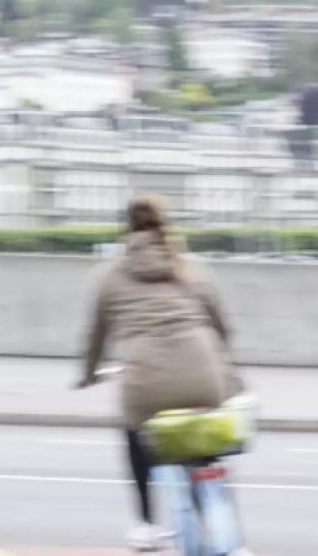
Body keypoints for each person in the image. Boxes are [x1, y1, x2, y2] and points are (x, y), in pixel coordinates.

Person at [76, 196, 240, 550]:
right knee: (207, 445)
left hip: (144, 385)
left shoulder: (109, 275)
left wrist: (88, 373)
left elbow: (95, 335)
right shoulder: (190, 267)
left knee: (134, 437)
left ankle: (147, 523)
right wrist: (221, 358)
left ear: (126, 230)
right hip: (203, 377)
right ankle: (224, 525)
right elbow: (223, 325)